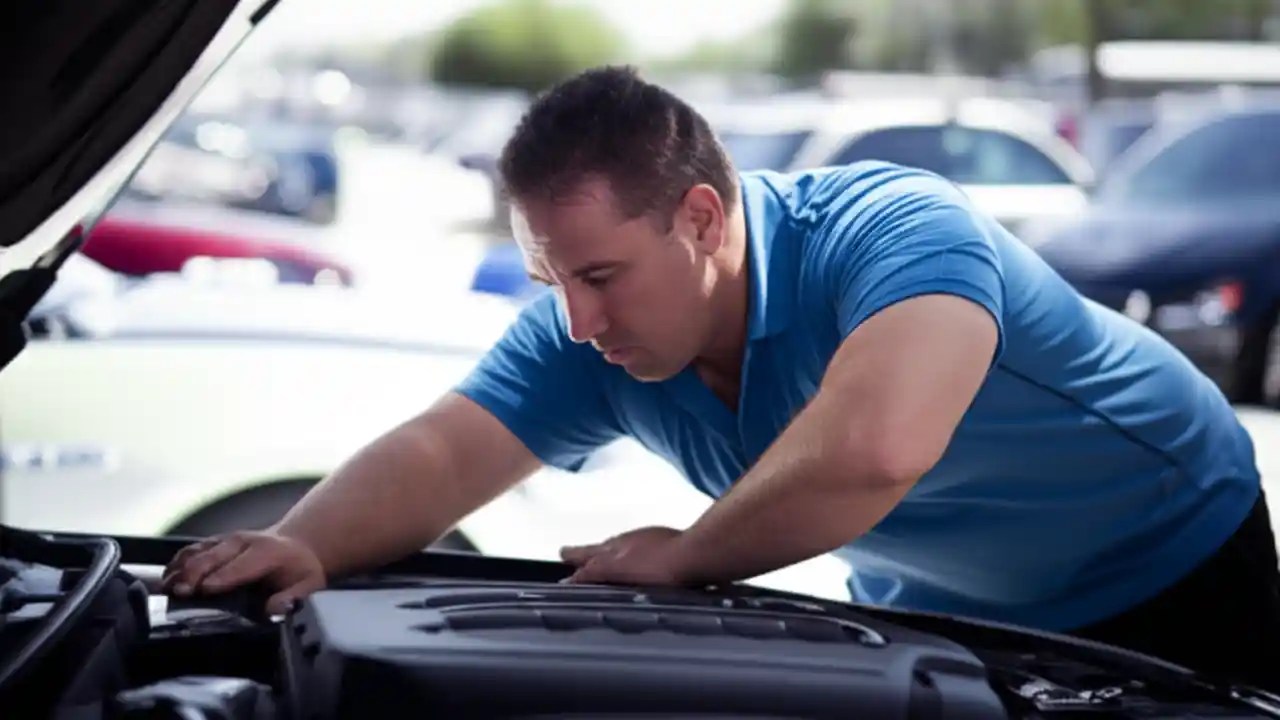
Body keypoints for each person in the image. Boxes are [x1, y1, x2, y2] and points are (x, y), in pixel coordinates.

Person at [163, 66, 1280, 690]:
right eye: (554, 277)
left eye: (600, 273)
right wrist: (307, 540)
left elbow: (876, 446)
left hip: (1167, 548)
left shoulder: (895, 228)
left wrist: (687, 557)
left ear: (701, 216)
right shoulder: (592, 331)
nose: (576, 318)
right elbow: (446, 448)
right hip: (946, 607)